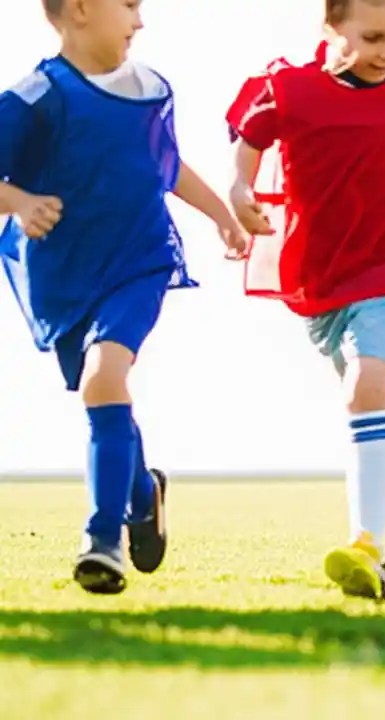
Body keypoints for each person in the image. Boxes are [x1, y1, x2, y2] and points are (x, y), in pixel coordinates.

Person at [0, 0, 248, 594]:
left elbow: (167, 165)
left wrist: (221, 216)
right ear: (81, 9)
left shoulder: (149, 90)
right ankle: (142, 493)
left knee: (103, 379)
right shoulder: (35, 97)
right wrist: (21, 204)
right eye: (130, 5)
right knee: (99, 392)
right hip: (63, 278)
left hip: (139, 263)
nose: (141, 19)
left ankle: (102, 537)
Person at [225, 0, 385, 598]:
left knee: (362, 390)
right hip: (320, 277)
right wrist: (240, 189)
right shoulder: (292, 91)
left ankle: (367, 546)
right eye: (373, 36)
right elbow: (249, 136)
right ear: (331, 27)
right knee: (361, 394)